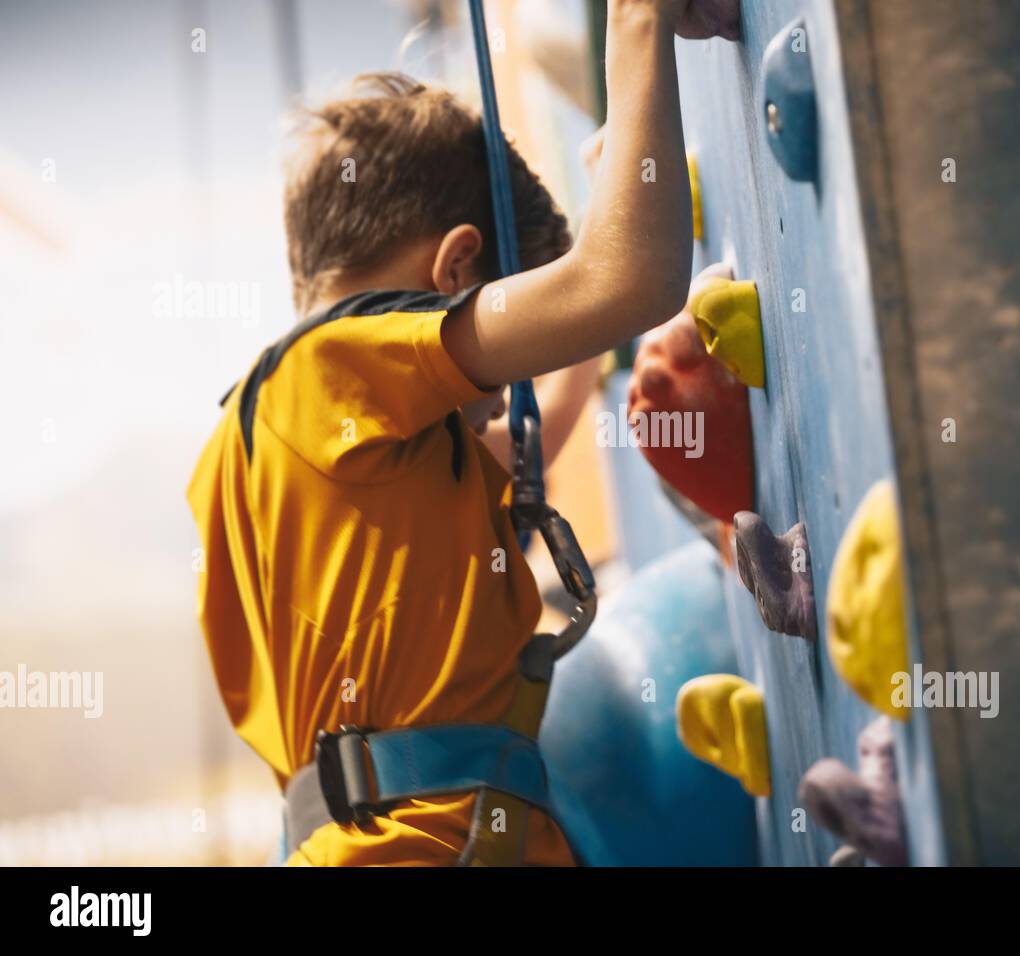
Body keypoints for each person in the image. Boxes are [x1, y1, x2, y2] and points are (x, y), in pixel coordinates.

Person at [186, 0, 740, 866]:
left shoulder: (269, 446)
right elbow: (628, 283)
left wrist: (624, 178)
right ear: (454, 273)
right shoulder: (340, 365)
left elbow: (528, 435)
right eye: (494, 381)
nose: (491, 403)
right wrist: (639, 25)